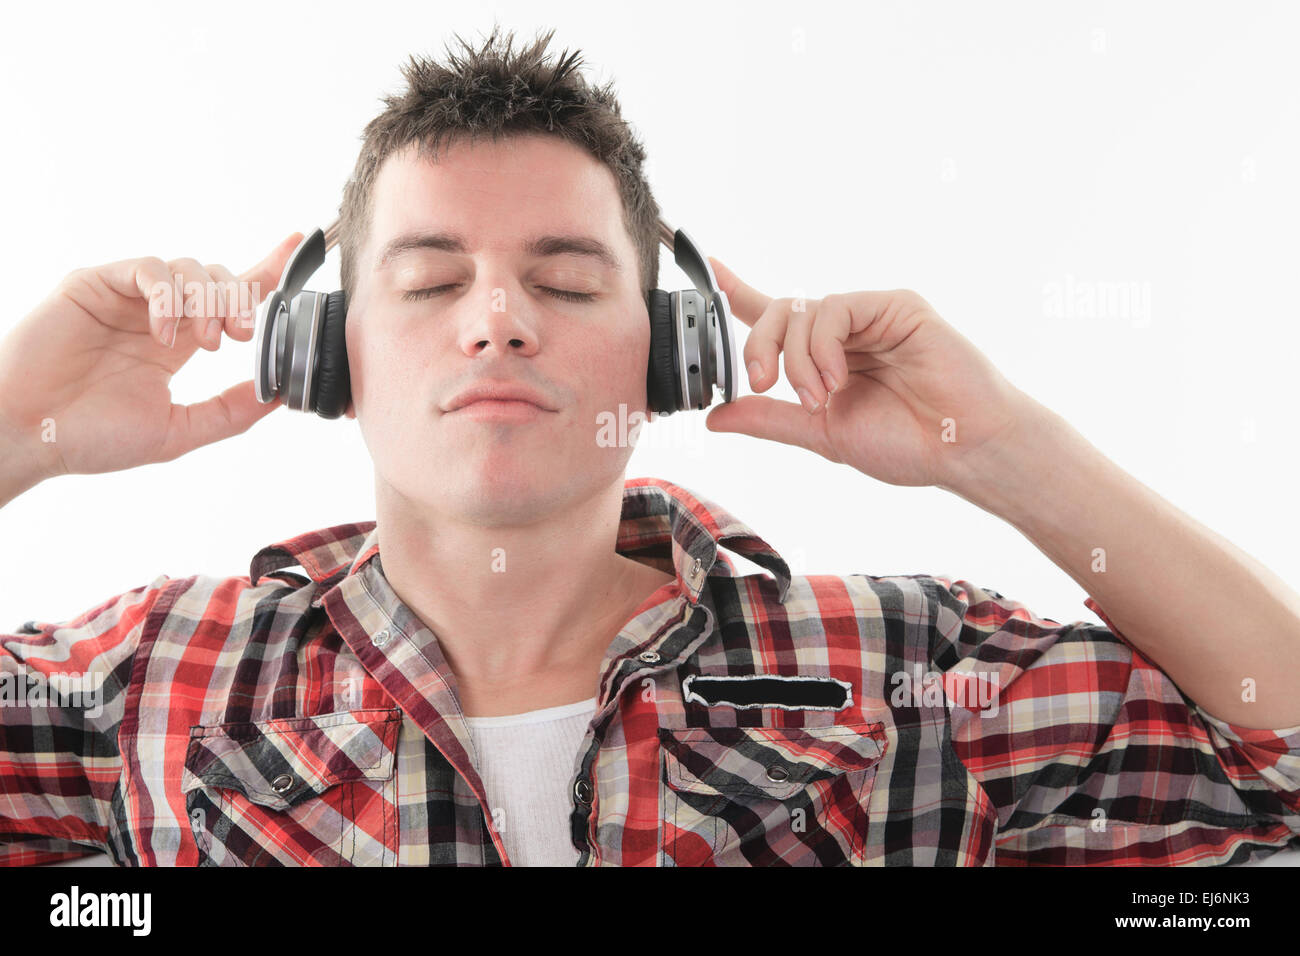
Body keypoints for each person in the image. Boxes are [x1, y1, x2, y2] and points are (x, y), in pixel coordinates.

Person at [1, 25, 1297, 868]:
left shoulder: (907, 670)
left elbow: (1274, 762)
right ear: (322, 350)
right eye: (431, 280)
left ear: (669, 349)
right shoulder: (154, 681)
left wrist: (1000, 448)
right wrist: (20, 425)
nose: (498, 323)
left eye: (564, 280)